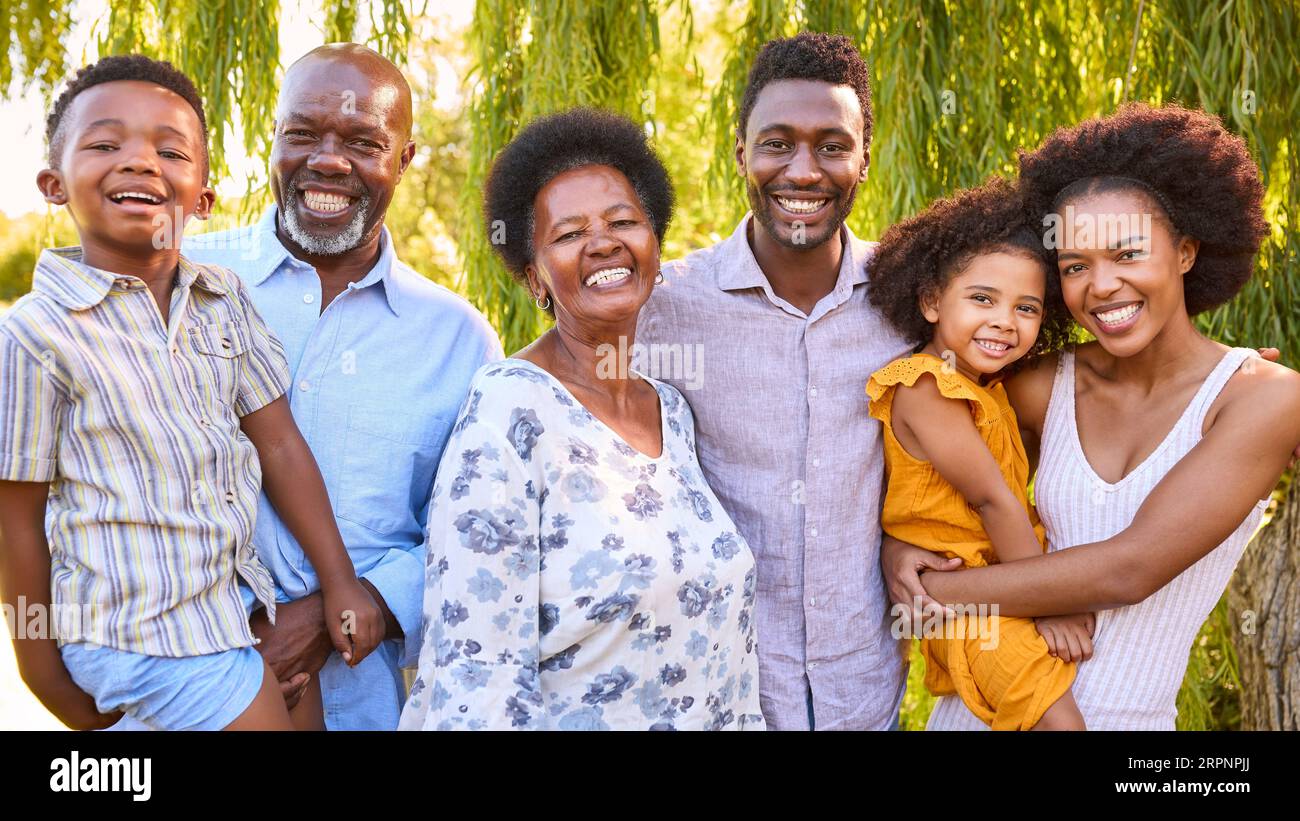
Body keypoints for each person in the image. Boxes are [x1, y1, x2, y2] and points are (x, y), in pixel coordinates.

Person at [881, 103, 1300, 730]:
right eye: (1074, 266)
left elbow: (1127, 570)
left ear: (1185, 252)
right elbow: (930, 463)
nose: (1099, 286)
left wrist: (929, 597)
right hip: (977, 716)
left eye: (1127, 254)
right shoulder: (1038, 384)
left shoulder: (1262, 399)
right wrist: (895, 548)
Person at [0, 55, 383, 732]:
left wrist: (341, 580)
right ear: (54, 183)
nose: (141, 162)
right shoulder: (37, 335)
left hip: (229, 610)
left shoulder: (222, 300)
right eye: (106, 143)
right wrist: (40, 670)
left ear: (202, 199)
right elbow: (17, 517)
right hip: (140, 635)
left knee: (309, 708)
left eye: (170, 150)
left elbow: (281, 443)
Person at [399, 108, 764, 730]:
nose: (603, 241)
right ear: (535, 277)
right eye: (568, 235)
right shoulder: (510, 412)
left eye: (624, 221)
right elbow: (477, 679)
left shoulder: (670, 413)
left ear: (654, 243)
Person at [177, 43, 502, 731]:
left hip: (360, 705)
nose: (328, 160)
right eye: (303, 134)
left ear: (405, 158)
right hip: (166, 692)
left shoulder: (458, 340)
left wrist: (359, 608)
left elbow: (475, 529)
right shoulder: (182, 281)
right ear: (274, 140)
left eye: (363, 141)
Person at [637, 32, 911, 729]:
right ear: (741, 155)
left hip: (869, 696)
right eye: (777, 143)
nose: (803, 170)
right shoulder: (666, 308)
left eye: (832, 145)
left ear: (864, 160)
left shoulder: (911, 301)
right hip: (718, 695)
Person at [865, 176, 1084, 730]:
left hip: (995, 587)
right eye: (982, 299)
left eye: (1027, 308)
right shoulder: (925, 387)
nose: (1005, 321)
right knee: (1063, 724)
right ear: (933, 301)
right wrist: (1050, 601)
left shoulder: (987, 390)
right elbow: (993, 501)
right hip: (973, 608)